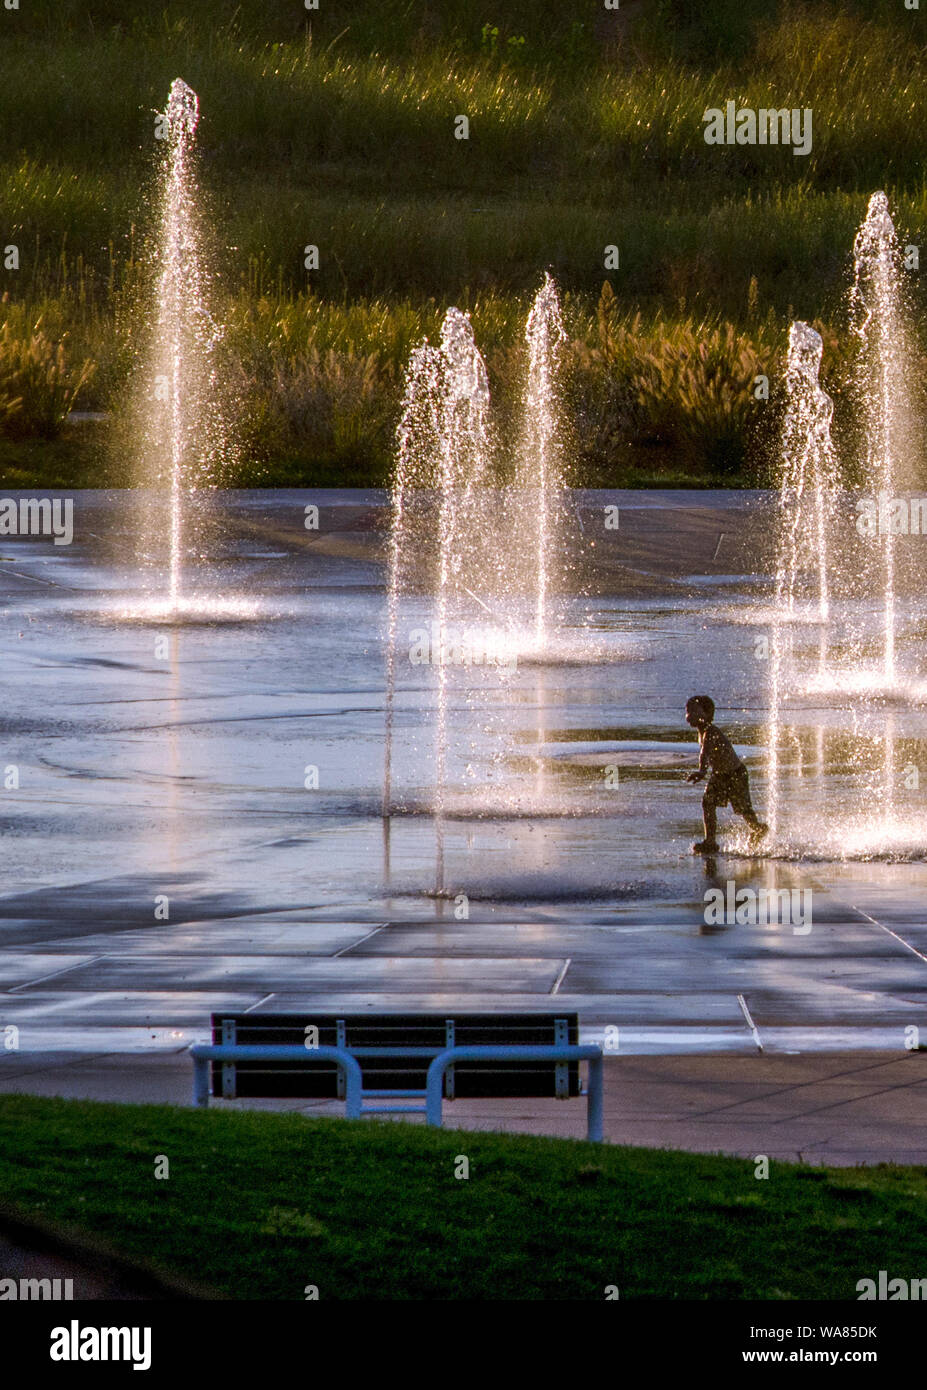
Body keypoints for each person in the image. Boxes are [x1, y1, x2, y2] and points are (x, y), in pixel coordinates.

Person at [685, 695, 768, 854]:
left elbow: (705, 753)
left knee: (743, 808)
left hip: (735, 774)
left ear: (707, 714)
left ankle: (758, 829)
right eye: (687, 711)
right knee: (707, 803)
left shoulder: (711, 731)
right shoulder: (702, 732)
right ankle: (710, 841)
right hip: (720, 775)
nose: (689, 715)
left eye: (694, 711)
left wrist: (702, 771)